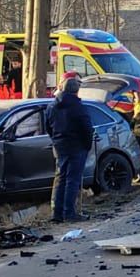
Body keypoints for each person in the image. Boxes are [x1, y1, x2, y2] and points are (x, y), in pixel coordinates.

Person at [48, 71, 93, 223]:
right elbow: (87, 128)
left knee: (60, 179)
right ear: (76, 90)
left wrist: (56, 139)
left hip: (59, 147)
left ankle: (56, 213)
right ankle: (70, 213)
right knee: (72, 180)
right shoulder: (78, 107)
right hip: (76, 147)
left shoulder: (52, 106)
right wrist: (87, 145)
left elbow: (48, 126)